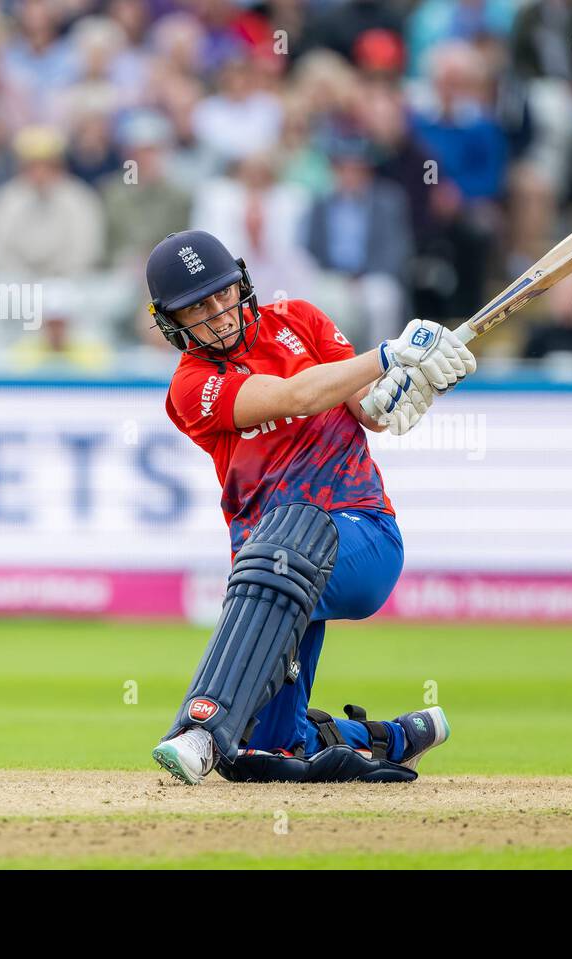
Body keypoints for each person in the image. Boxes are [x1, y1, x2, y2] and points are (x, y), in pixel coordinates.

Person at [145, 230, 474, 784]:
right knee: (264, 753)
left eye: (224, 294)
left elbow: (366, 409)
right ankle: (397, 737)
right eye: (198, 307)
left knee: (279, 549)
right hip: (272, 577)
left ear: (242, 284)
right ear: (171, 322)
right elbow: (295, 396)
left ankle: (199, 730)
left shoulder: (299, 318)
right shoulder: (192, 386)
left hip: (361, 534)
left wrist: (402, 386)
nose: (219, 313)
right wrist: (389, 353)